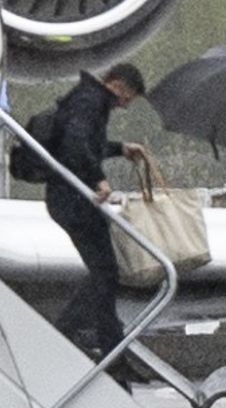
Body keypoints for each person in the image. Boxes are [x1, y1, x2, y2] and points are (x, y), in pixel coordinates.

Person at [44, 63, 149, 357]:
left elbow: (87, 144)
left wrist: (120, 149)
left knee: (104, 271)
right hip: (73, 198)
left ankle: (108, 340)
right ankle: (74, 333)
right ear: (116, 86)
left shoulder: (87, 99)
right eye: (126, 99)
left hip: (70, 197)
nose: (124, 107)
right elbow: (75, 145)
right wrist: (97, 179)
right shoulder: (91, 101)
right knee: (105, 271)